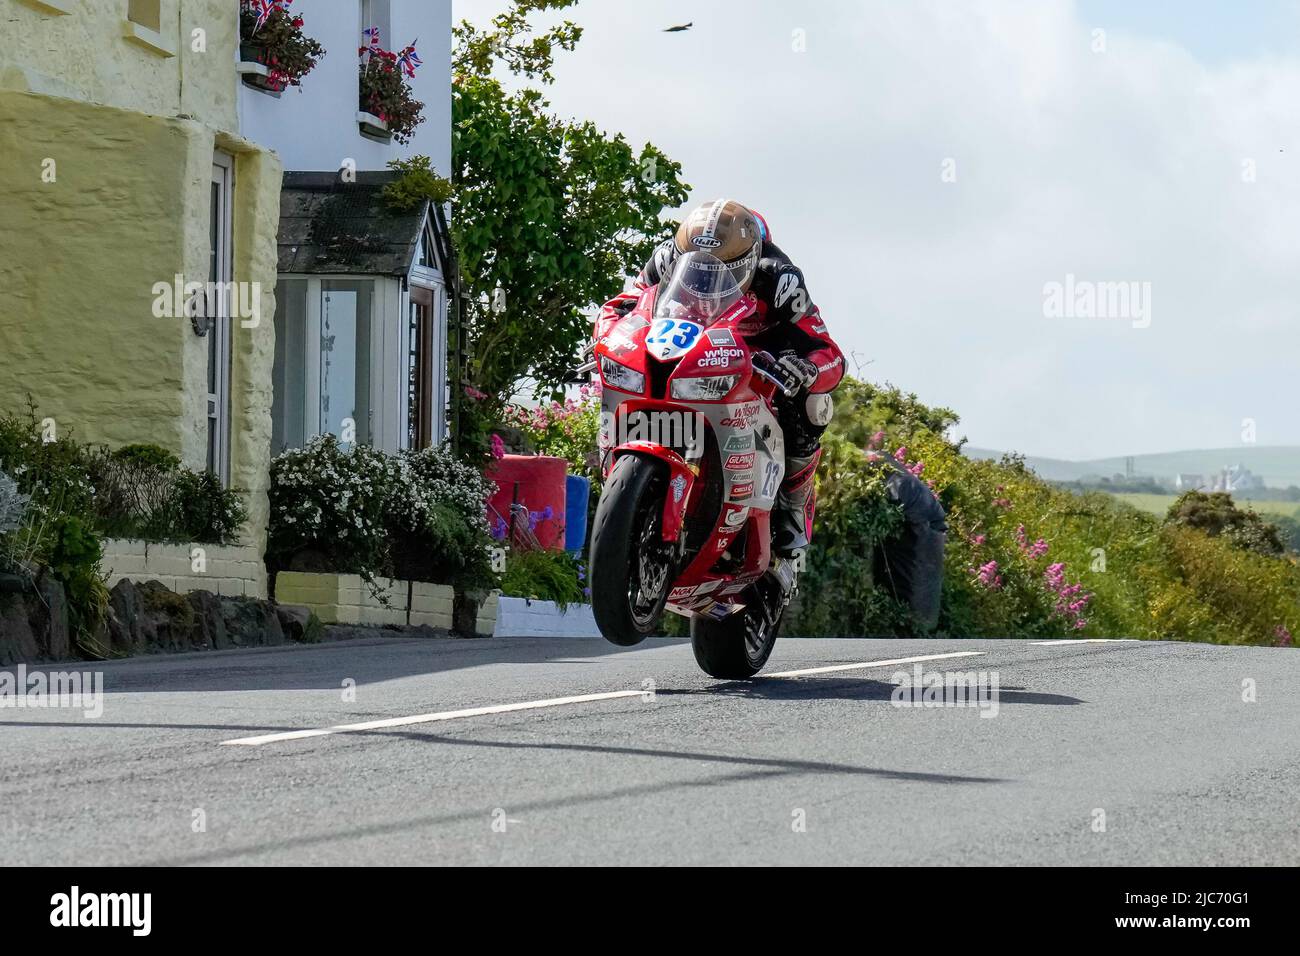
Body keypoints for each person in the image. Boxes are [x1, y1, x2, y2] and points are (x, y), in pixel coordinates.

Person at [596, 199, 844, 555]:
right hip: (689, 343)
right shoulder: (664, 258)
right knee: (621, 369)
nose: (706, 279)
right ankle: (616, 465)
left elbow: (828, 351)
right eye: (696, 267)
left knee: (814, 405)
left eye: (722, 271)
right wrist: (608, 337)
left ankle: (793, 502)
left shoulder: (780, 279)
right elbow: (621, 305)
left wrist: (806, 369)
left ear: (749, 262)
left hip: (761, 355)